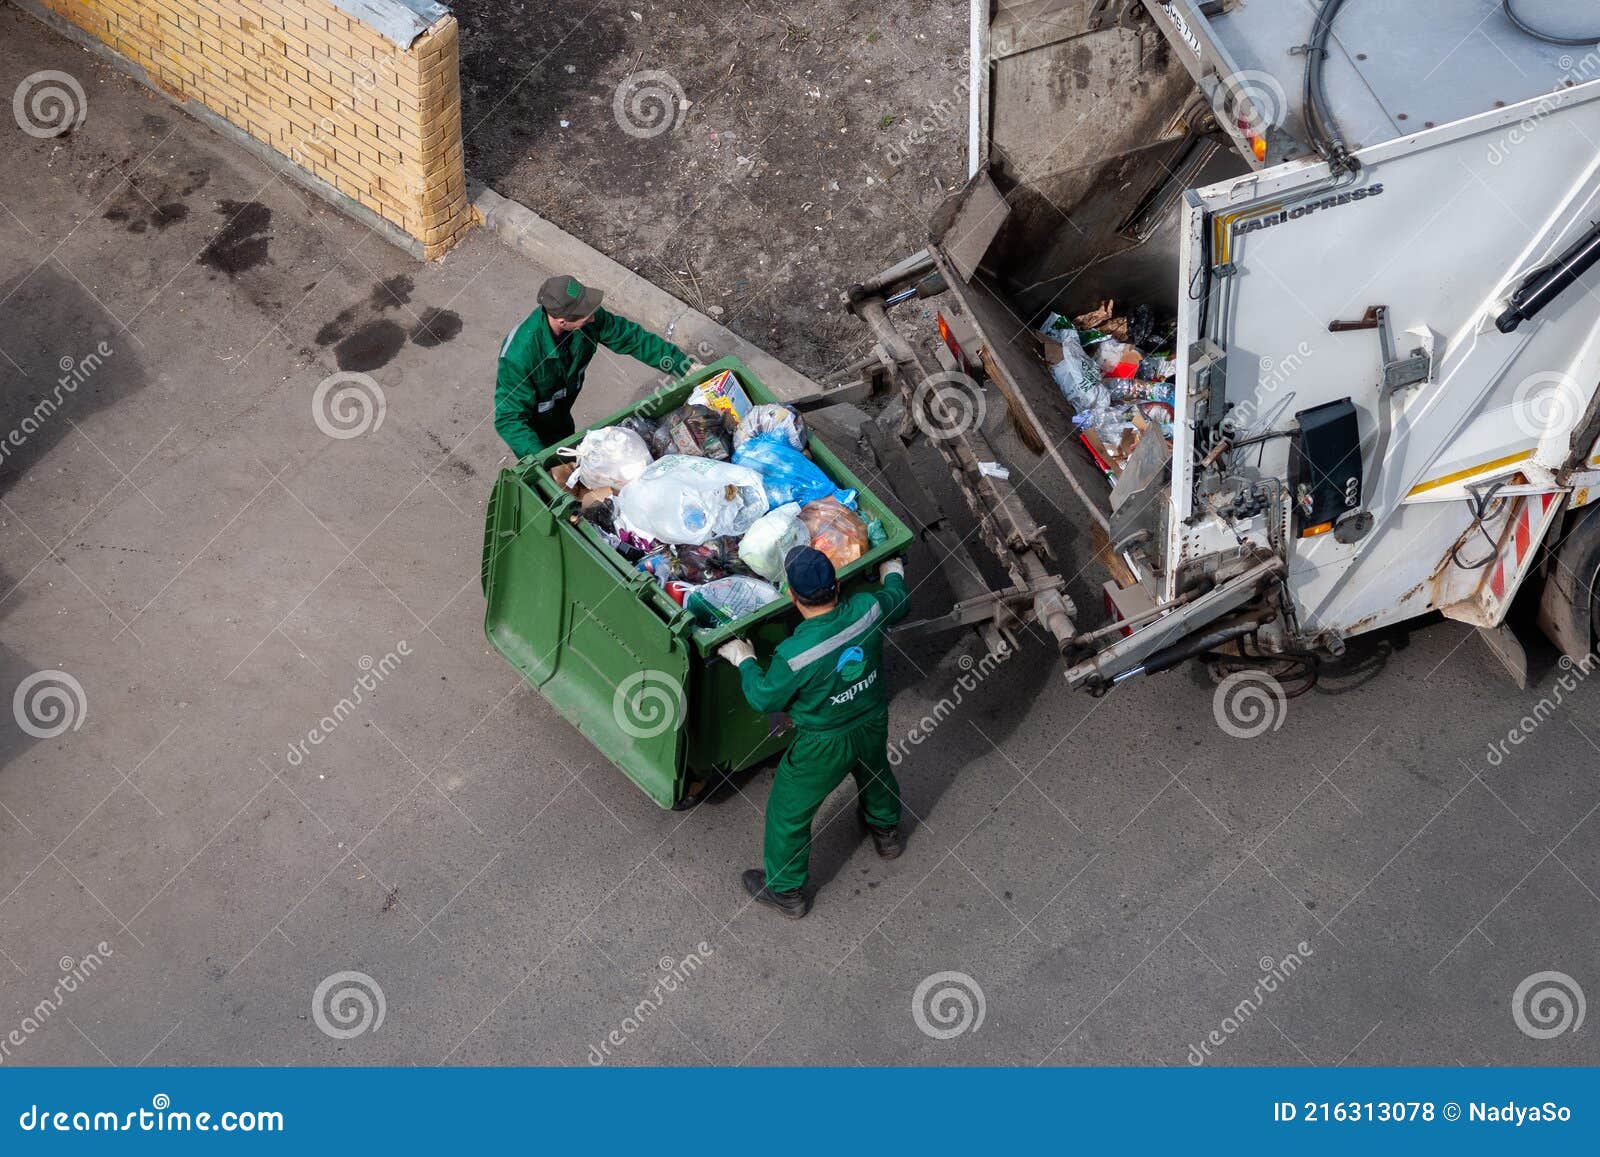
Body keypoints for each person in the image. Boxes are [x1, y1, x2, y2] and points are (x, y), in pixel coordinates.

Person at [716, 547, 910, 919]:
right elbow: (898, 599)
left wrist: (744, 660)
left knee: (788, 813)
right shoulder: (866, 610)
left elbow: (763, 697)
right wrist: (892, 569)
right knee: (875, 771)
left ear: (791, 596)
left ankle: (786, 890)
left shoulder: (794, 655)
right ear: (837, 586)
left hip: (823, 746)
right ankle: (886, 833)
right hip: (870, 720)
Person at [495, 274, 693, 459]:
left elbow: (632, 338)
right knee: (554, 469)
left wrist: (684, 366)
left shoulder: (587, 318)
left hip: (561, 414)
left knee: (568, 447)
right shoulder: (519, 356)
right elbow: (509, 419)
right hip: (534, 428)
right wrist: (542, 462)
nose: (592, 317)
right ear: (563, 321)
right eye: (585, 315)